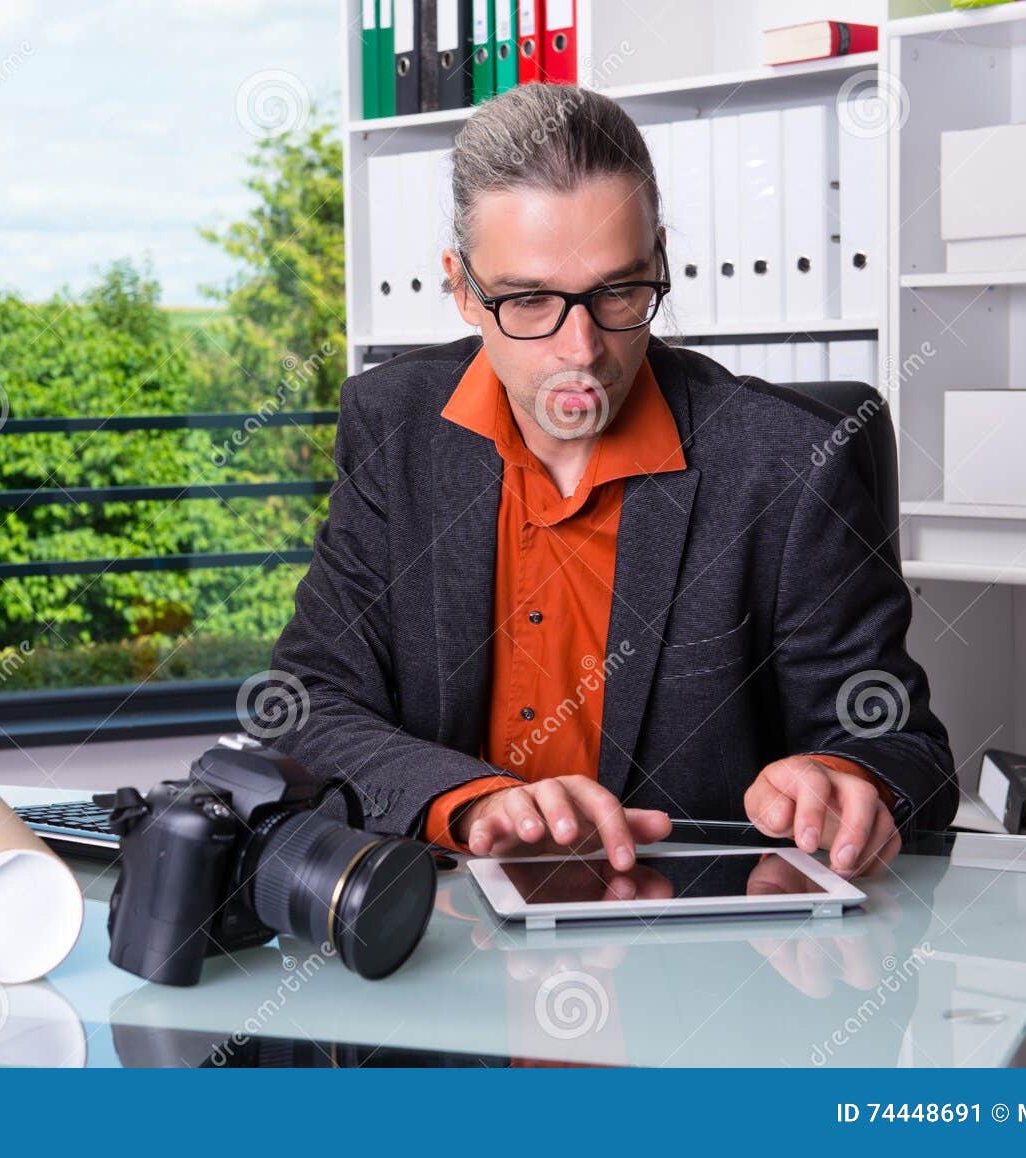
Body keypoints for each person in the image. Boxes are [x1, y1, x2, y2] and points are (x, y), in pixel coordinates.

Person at [269, 83, 955, 880]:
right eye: (530, 300)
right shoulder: (394, 426)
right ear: (462, 289)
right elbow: (309, 701)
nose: (582, 349)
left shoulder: (790, 462)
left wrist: (845, 780)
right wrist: (472, 803)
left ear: (659, 261)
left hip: (700, 933)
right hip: (439, 917)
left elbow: (900, 745)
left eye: (618, 291)